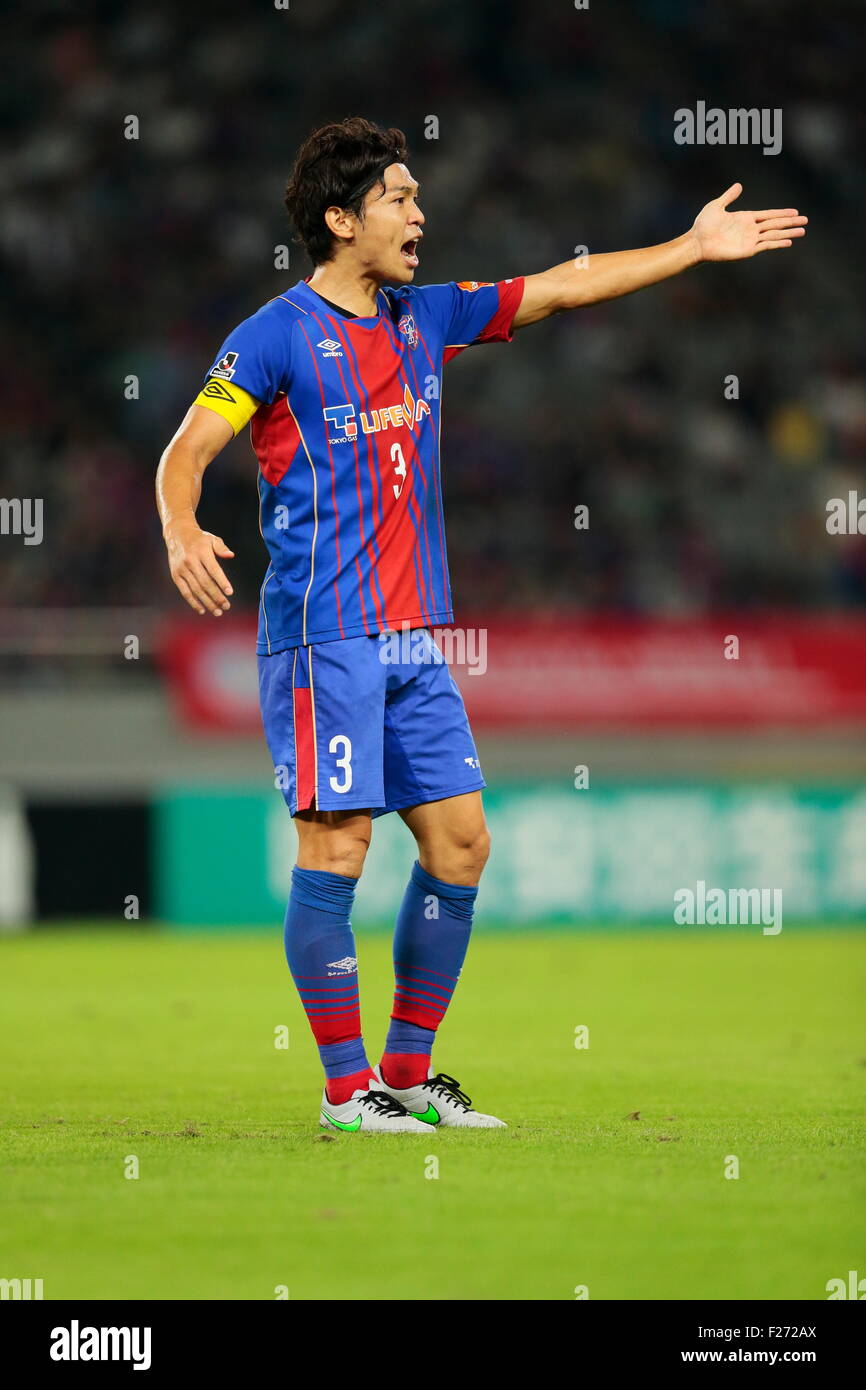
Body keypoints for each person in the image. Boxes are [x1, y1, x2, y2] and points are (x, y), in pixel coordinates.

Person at [156, 116, 806, 1133]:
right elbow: (187, 448)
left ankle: (408, 1075)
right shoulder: (274, 335)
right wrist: (180, 526)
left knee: (460, 844)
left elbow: (558, 286)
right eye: (399, 198)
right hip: (325, 633)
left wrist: (686, 249)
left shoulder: (427, 316)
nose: (421, 213)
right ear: (340, 219)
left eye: (417, 196)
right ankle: (344, 1091)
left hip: (414, 634)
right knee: (336, 849)